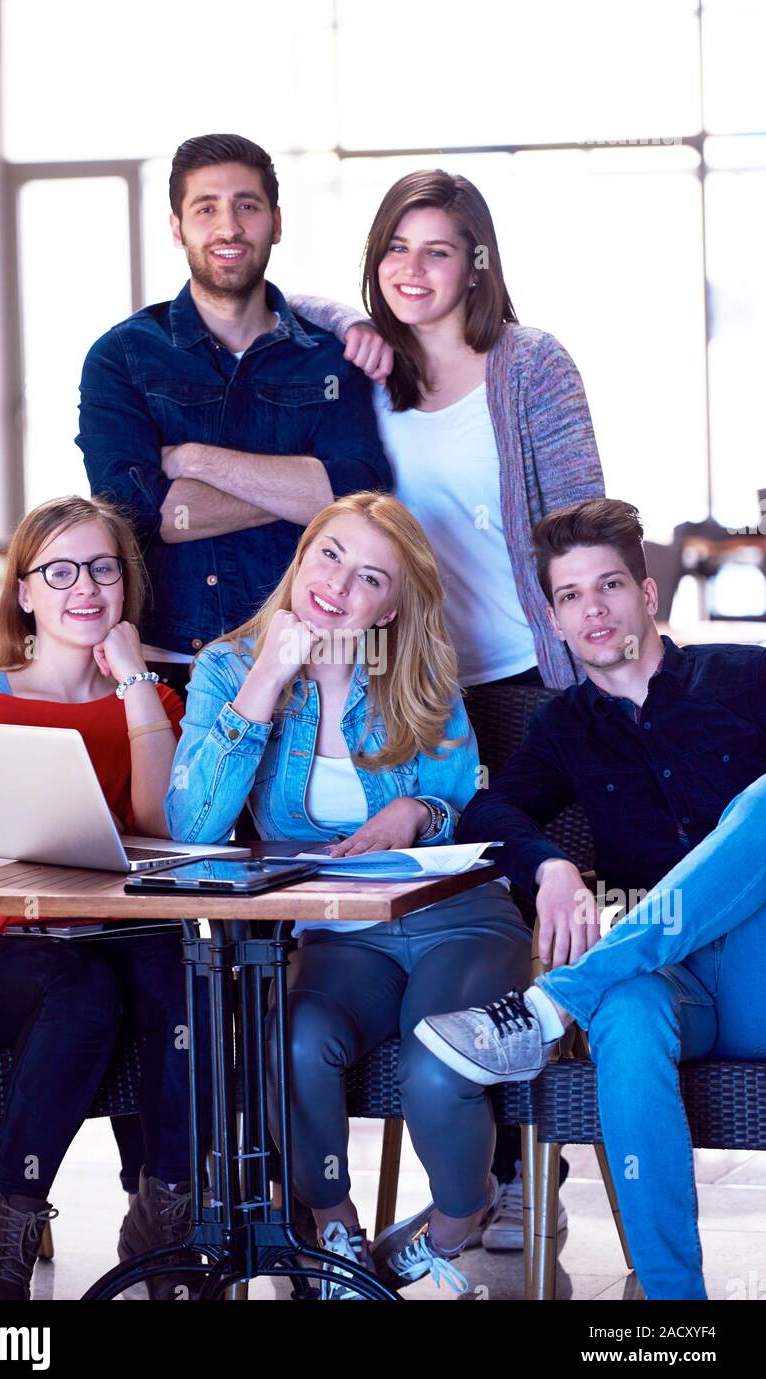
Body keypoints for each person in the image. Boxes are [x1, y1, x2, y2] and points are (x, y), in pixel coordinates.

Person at [293, 166, 605, 1242]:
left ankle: (525, 1177)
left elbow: (577, 524)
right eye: (395, 250)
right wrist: (346, 316)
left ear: (477, 260)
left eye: (439, 250)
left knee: (522, 935)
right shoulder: (361, 376)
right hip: (411, 694)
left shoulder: (530, 367)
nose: (414, 271)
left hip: (528, 682)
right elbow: (275, 300)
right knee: (428, 930)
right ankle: (460, 1163)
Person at [165, 491, 534, 1296]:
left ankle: (450, 1228)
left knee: (439, 1052)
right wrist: (268, 677)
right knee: (293, 1038)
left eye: (370, 576)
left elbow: (454, 798)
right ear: (303, 553)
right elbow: (193, 822)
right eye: (329, 554)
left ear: (393, 601)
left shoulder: (417, 666)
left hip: (455, 918)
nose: (337, 583)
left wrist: (417, 810)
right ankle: (334, 1241)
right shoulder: (228, 665)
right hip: (341, 937)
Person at [412, 497, 766, 1300]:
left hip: (759, 965)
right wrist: (550, 869)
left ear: (646, 595)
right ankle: (673, 1314)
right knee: (628, 1007)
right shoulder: (563, 727)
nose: (592, 609)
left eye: (607, 586)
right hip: (671, 983)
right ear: (556, 619)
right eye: (570, 597)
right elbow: (487, 814)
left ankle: (546, 1008)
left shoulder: (744, 677)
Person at [0, 495, 208, 1301]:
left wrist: (137, 682)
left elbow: (160, 828)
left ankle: (165, 1218)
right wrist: (21, 845)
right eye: (60, 571)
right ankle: (8, 1233)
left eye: (103, 568)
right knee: (80, 988)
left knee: (182, 973)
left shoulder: (153, 708)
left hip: (98, 942)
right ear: (26, 592)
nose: (85, 588)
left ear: (125, 586)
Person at [77, 132, 392, 697]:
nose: (229, 227)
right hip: (166, 667)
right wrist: (299, 491)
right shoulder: (121, 357)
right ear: (177, 228)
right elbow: (142, 513)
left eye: (247, 206)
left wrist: (196, 461)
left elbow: (357, 497)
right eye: (206, 208)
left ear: (275, 221)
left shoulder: (329, 359)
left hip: (310, 668)